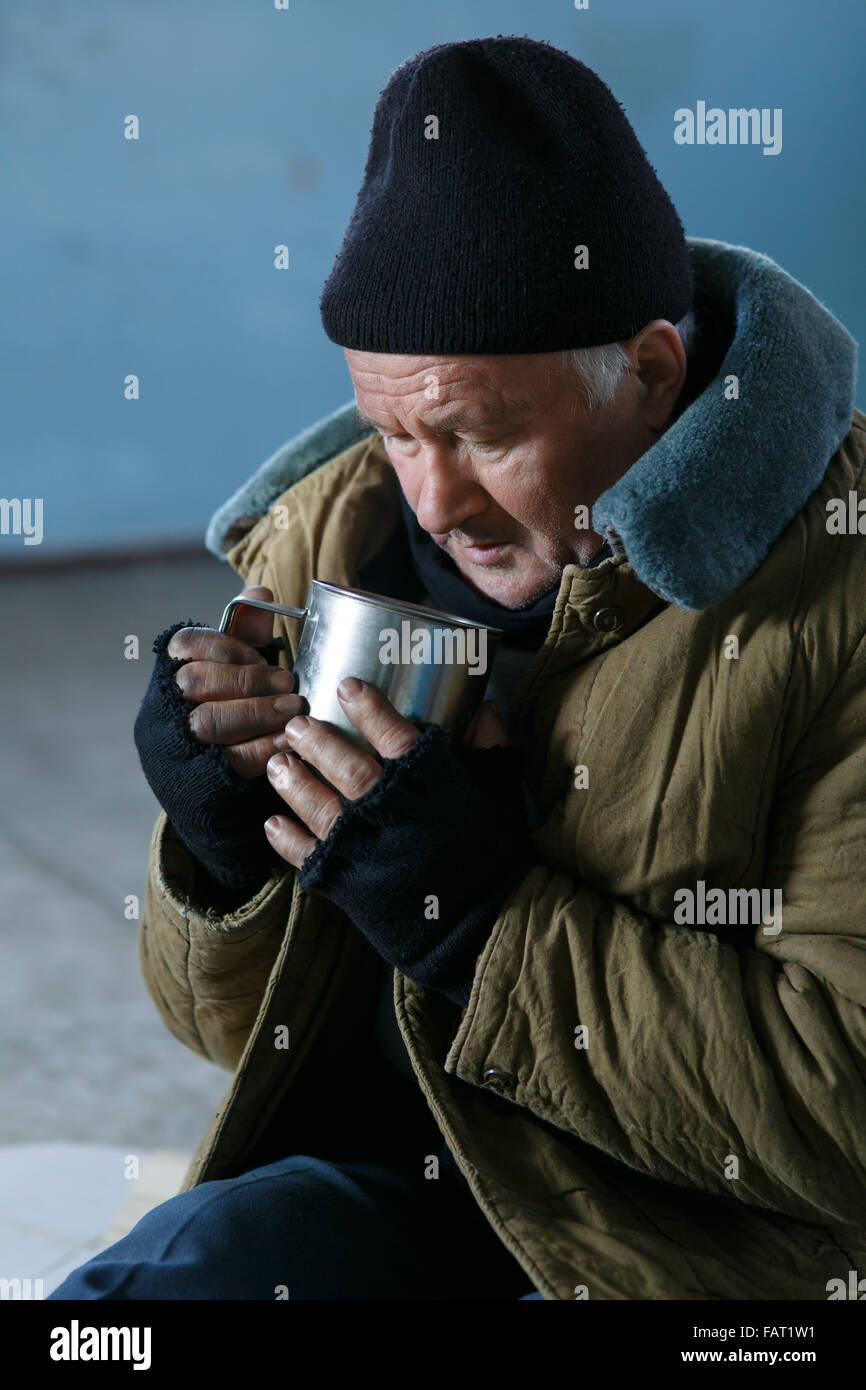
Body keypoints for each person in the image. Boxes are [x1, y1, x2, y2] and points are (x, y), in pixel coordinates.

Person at [51, 35, 866, 1302]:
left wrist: (484, 923)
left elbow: (844, 1124)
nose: (433, 501)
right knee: (128, 1313)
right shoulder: (321, 540)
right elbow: (234, 1040)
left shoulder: (838, 594)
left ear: (648, 374)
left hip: (700, 1248)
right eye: (389, 429)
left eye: (479, 434)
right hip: (386, 1178)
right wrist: (219, 855)